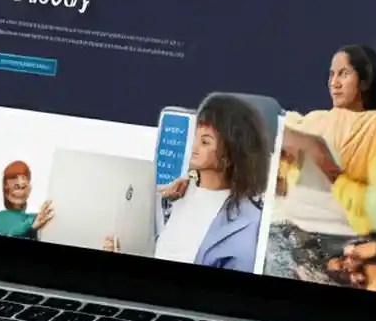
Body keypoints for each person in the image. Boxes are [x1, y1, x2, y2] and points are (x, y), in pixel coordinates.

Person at [266, 45, 376, 286]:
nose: (334, 82)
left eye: (343, 74)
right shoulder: (313, 119)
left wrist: (328, 167)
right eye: (331, 74)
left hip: (337, 238)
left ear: (365, 80)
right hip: (290, 229)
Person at [106, 94, 271, 272]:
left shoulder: (246, 225)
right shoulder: (174, 196)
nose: (194, 147)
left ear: (231, 154)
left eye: (205, 142)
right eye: (195, 137)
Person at [0, 160, 55, 239]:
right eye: (16, 187)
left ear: (29, 189)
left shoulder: (36, 218)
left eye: (23, 186)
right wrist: (30, 227)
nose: (19, 192)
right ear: (5, 190)